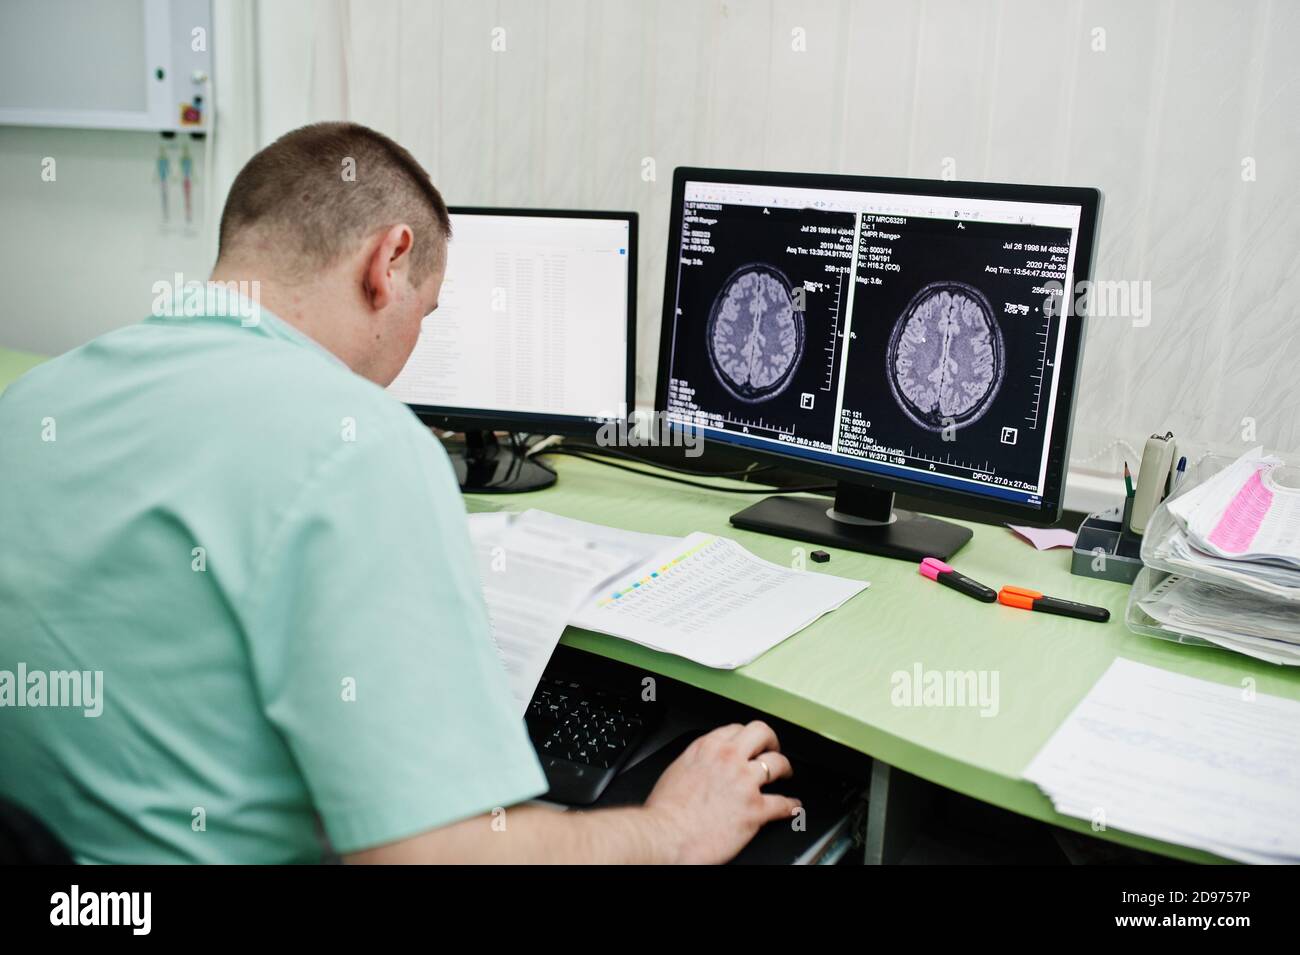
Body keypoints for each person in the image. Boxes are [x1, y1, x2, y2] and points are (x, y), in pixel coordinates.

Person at [0, 122, 798, 864]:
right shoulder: (358, 447)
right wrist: (670, 828)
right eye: (430, 309)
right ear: (389, 262)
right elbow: (425, 856)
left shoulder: (36, 402)